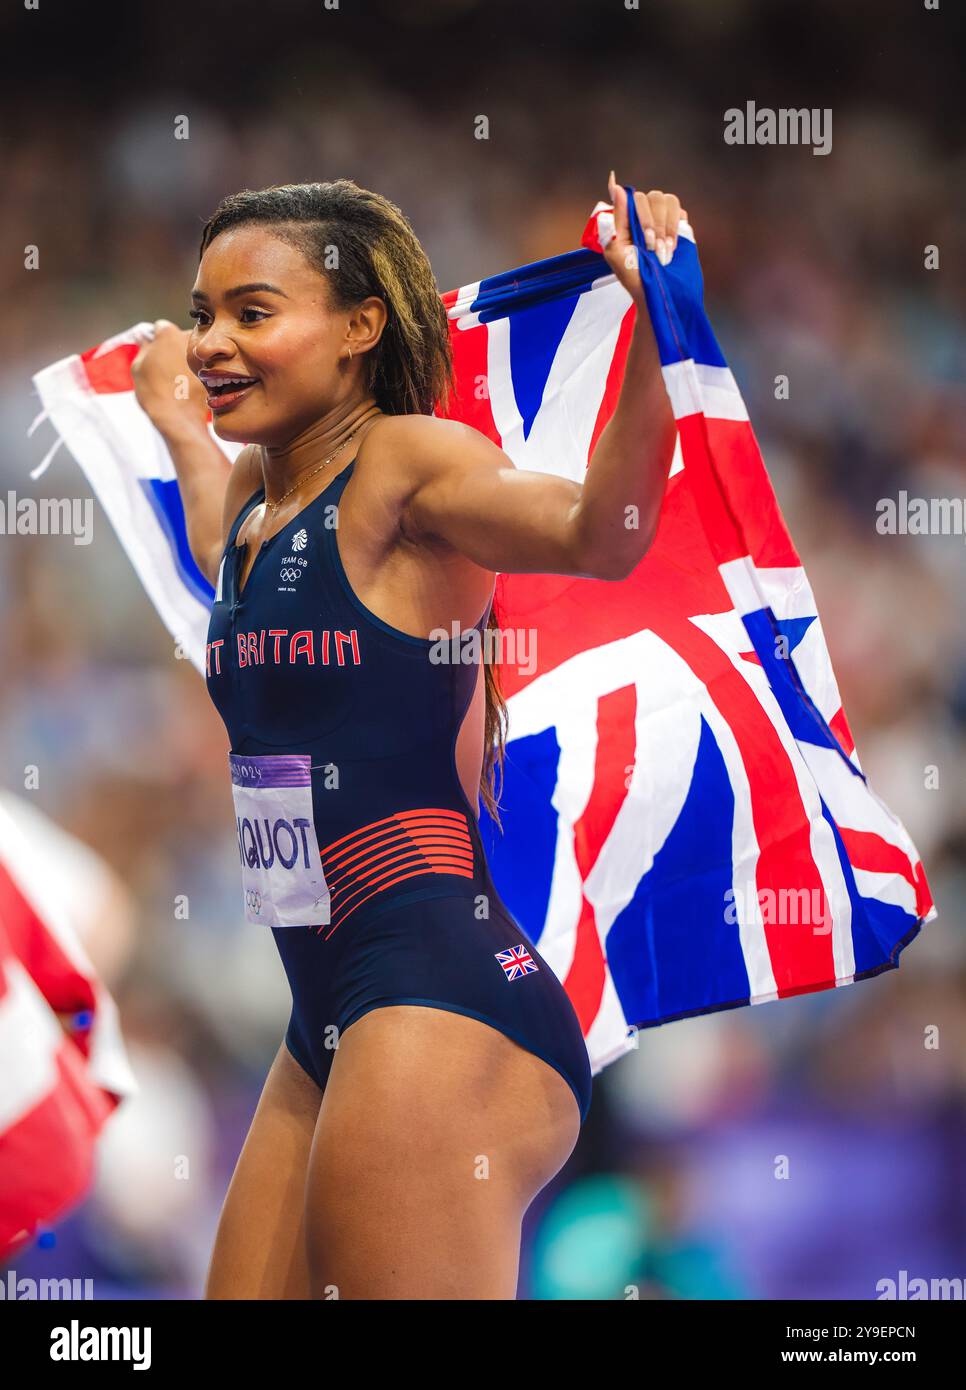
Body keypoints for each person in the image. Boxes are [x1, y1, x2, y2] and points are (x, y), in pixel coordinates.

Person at [131, 174, 682, 1300]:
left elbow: (601, 532)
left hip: (436, 994)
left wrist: (662, 328)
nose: (210, 343)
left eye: (251, 312)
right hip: (324, 1010)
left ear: (358, 329)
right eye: (200, 314)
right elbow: (216, 548)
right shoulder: (252, 497)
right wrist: (171, 420)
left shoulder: (408, 463)